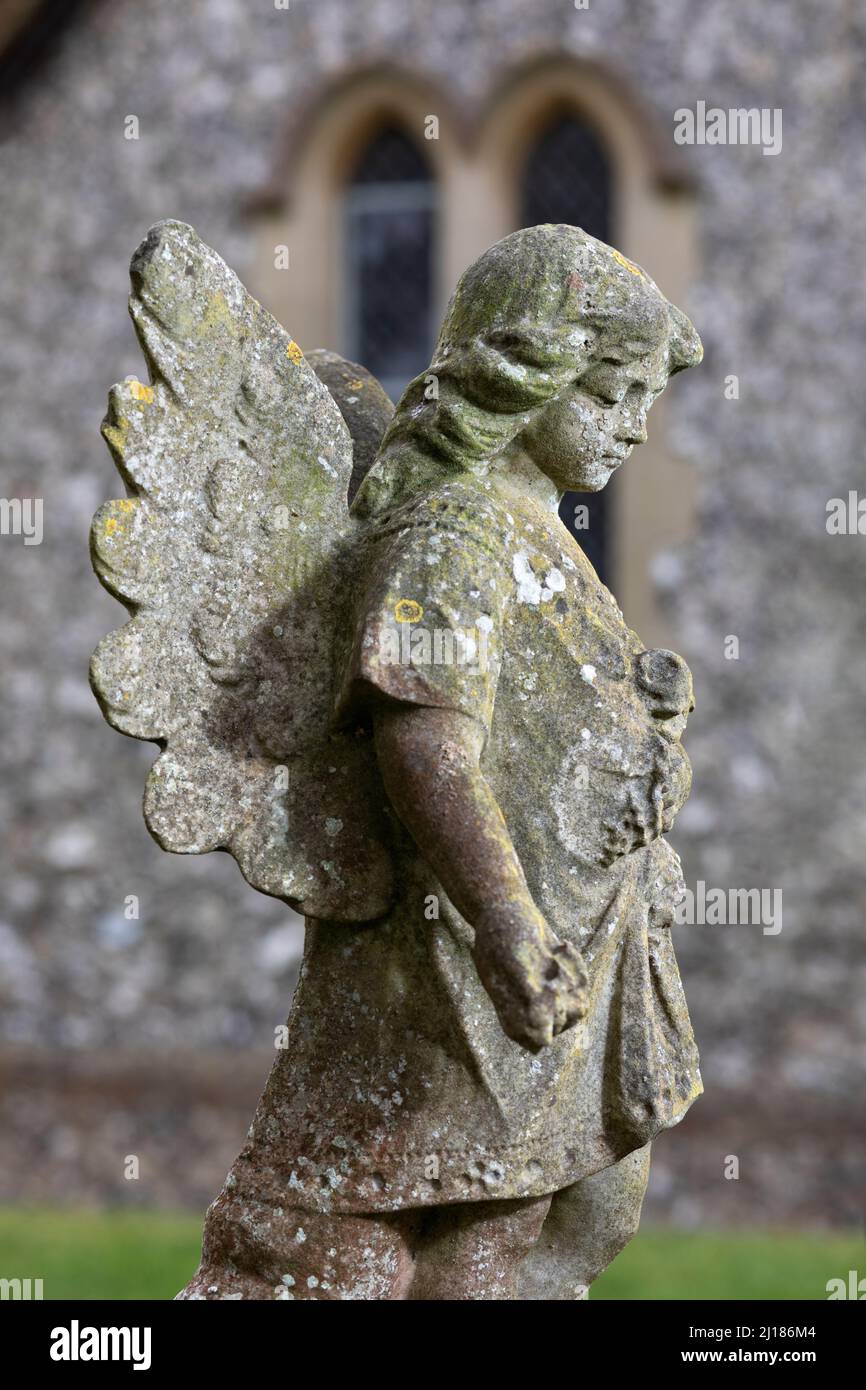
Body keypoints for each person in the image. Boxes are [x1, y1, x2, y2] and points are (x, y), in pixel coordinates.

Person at [180, 224, 703, 1301]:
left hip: (573, 943)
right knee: (404, 1240)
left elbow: (545, 716)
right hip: (461, 951)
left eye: (644, 402)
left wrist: (634, 718)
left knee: (560, 1220)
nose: (632, 429)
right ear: (528, 370)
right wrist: (503, 913)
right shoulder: (453, 535)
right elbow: (424, 737)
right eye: (609, 394)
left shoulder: (544, 533)